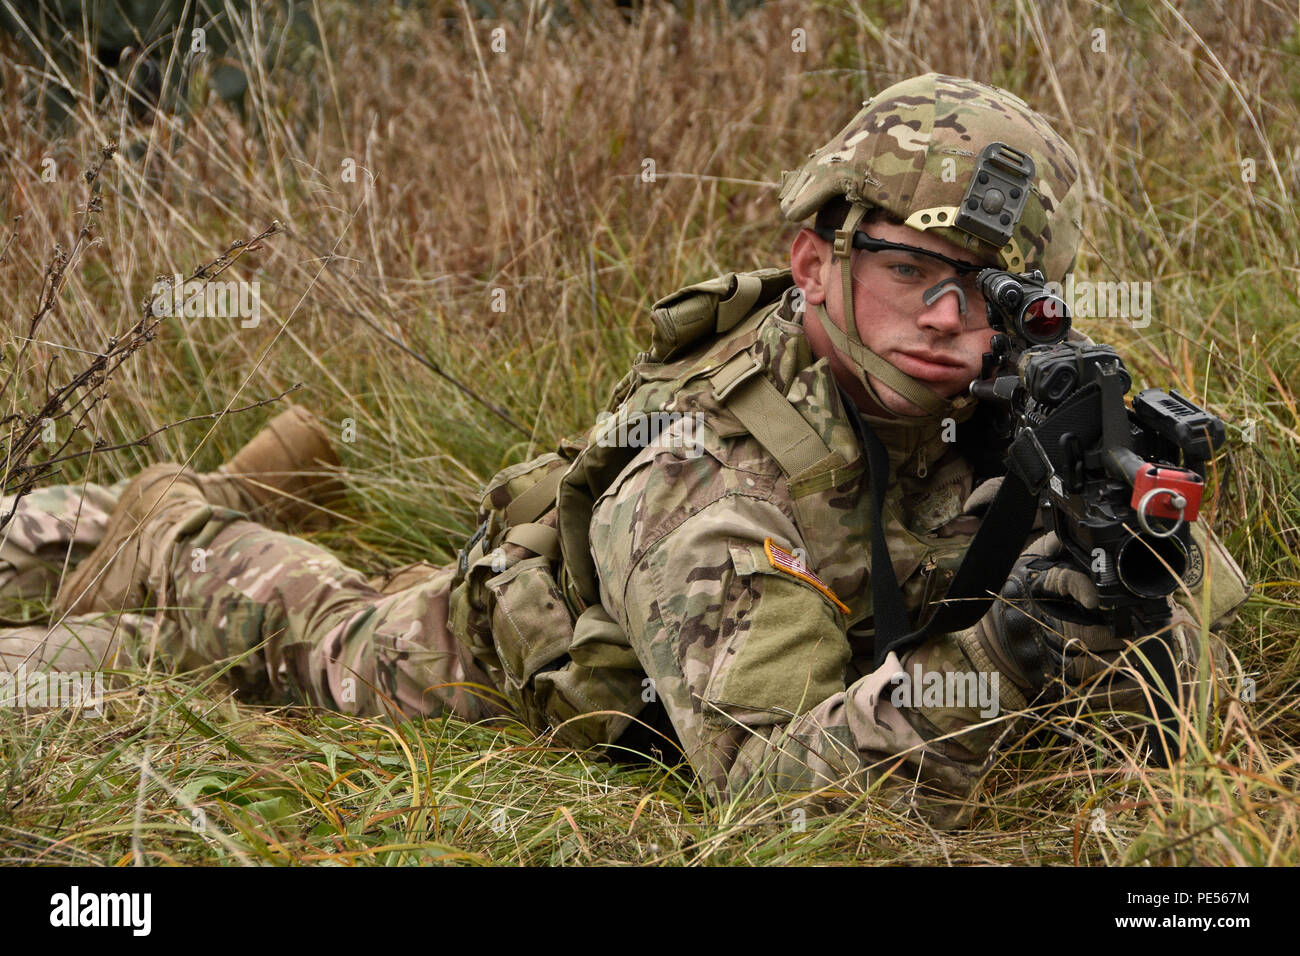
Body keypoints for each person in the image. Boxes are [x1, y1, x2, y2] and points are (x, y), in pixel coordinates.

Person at [0, 73, 1248, 827]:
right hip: (466, 662)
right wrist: (1010, 653)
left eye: (993, 290)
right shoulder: (704, 473)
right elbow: (773, 796)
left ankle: (257, 487)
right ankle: (175, 509)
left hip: (681, 642)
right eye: (913, 267)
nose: (947, 317)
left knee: (132, 653)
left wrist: (1133, 578)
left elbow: (1206, 697)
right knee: (236, 611)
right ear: (816, 259)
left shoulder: (1005, 403)